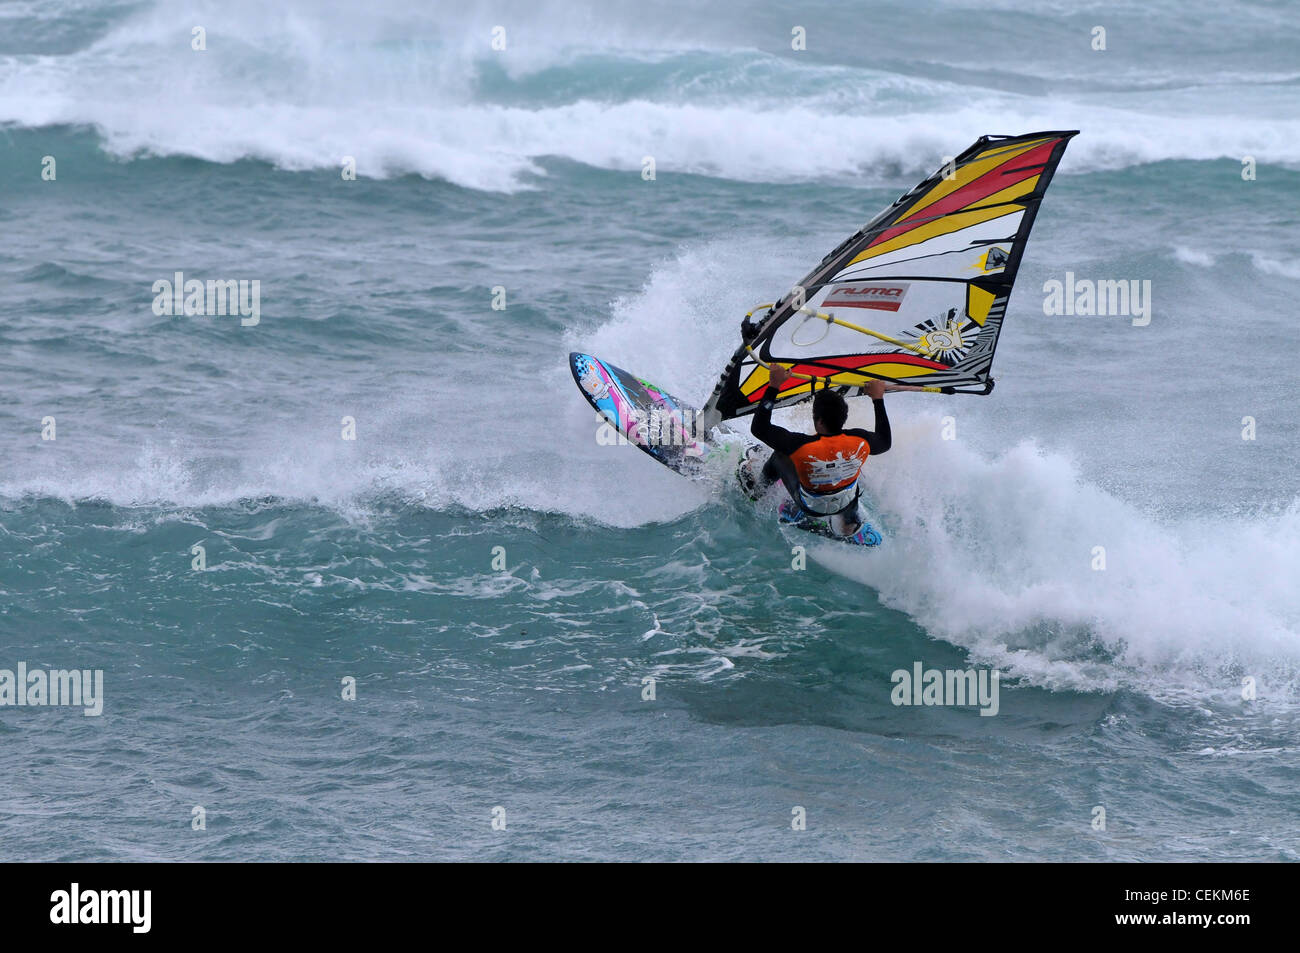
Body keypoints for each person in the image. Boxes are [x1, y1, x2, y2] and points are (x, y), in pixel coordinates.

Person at [745, 364, 890, 542]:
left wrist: (774, 385)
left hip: (811, 506)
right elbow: (885, 441)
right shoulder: (861, 441)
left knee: (779, 456)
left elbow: (759, 427)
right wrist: (878, 398)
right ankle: (848, 524)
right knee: (849, 468)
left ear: (819, 421)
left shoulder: (799, 445)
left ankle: (757, 491)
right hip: (846, 502)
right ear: (843, 417)